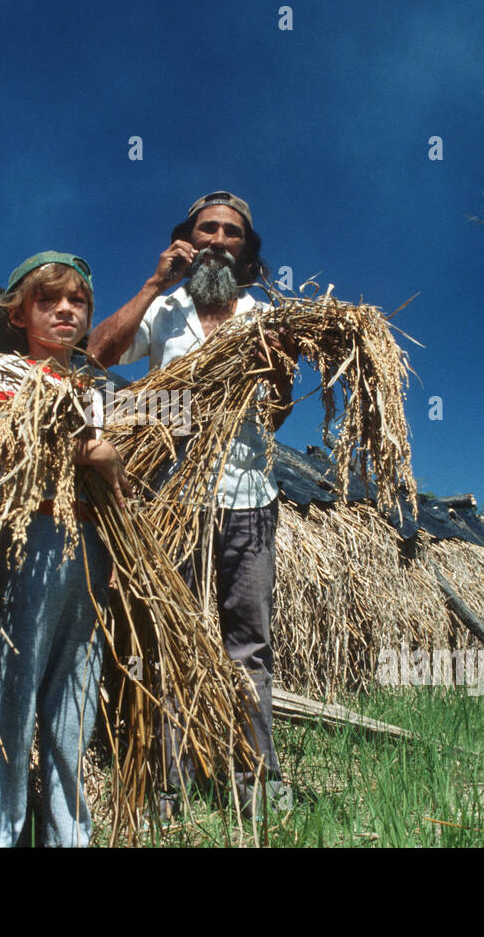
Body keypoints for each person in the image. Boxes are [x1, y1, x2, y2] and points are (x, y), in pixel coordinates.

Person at [88, 191, 297, 819]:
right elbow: (97, 354)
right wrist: (155, 281)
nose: (217, 240)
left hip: (248, 498)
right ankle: (162, 783)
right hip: (171, 499)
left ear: (246, 250)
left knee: (249, 642)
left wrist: (278, 374)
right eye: (207, 229)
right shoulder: (166, 308)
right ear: (188, 237)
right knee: (162, 637)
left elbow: (278, 416)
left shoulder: (264, 319)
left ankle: (254, 778)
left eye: (232, 233)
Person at [0, 252, 130, 847]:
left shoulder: (95, 389)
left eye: (77, 301)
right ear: (18, 314)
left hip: (89, 544)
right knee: (11, 694)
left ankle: (69, 835)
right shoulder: (6, 374)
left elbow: (111, 478)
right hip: (32, 540)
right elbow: (16, 444)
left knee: (75, 704)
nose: (65, 310)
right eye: (48, 300)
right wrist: (91, 452)